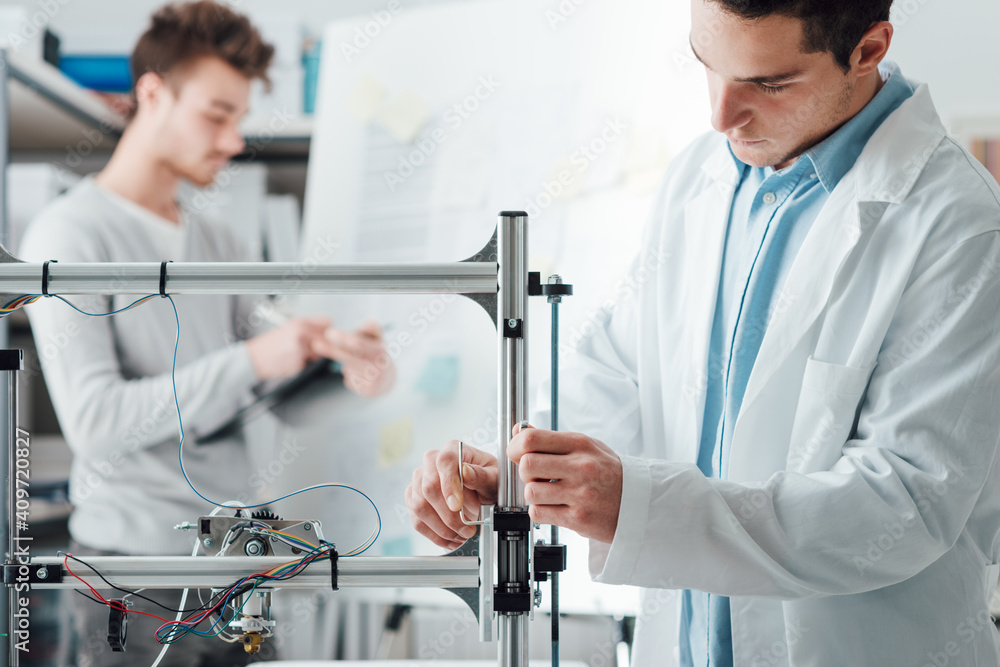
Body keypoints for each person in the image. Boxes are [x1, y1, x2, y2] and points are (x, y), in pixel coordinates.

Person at [406, 0, 1000, 665]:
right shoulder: (700, 176)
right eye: (706, 65)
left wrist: (643, 507)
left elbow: (905, 504)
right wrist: (514, 465)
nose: (720, 115)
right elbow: (619, 372)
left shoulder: (958, 224)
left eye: (769, 83)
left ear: (868, 51)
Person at [20, 2, 395, 665]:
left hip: (235, 568)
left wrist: (339, 375)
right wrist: (254, 356)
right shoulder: (67, 236)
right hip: (133, 576)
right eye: (217, 115)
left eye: (240, 119)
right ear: (153, 93)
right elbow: (97, 423)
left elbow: (269, 394)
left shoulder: (220, 239)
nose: (231, 141)